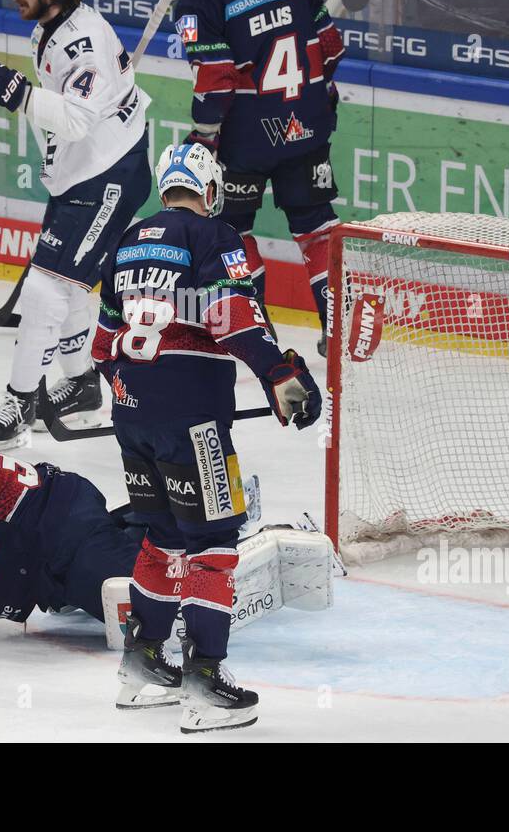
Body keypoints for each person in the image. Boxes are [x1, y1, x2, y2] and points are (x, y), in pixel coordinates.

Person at [91, 141, 323, 733]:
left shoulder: (127, 243)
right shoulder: (214, 237)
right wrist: (280, 374)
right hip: (193, 418)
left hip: (133, 416)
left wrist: (139, 394)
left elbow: (101, 347)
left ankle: (142, 665)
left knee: (162, 535)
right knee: (215, 540)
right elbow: (232, 316)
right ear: (210, 188)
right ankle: (204, 681)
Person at [0, 443, 333, 663]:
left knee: (131, 602)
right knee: (120, 558)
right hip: (42, 540)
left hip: (58, 531)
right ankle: (207, 508)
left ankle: (245, 531)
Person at [0, 0, 152, 448]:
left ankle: (20, 400)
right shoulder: (51, 27)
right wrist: (15, 93)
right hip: (83, 170)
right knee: (65, 284)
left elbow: (75, 119)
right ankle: (86, 385)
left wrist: (14, 93)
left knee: (46, 287)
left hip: (110, 173)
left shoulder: (82, 42)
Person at [168, 0, 346, 355]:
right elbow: (333, 47)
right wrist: (316, 101)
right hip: (307, 125)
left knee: (231, 229)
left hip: (246, 138)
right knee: (316, 226)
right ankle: (336, 323)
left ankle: (258, 334)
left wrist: (205, 135)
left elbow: (215, 79)